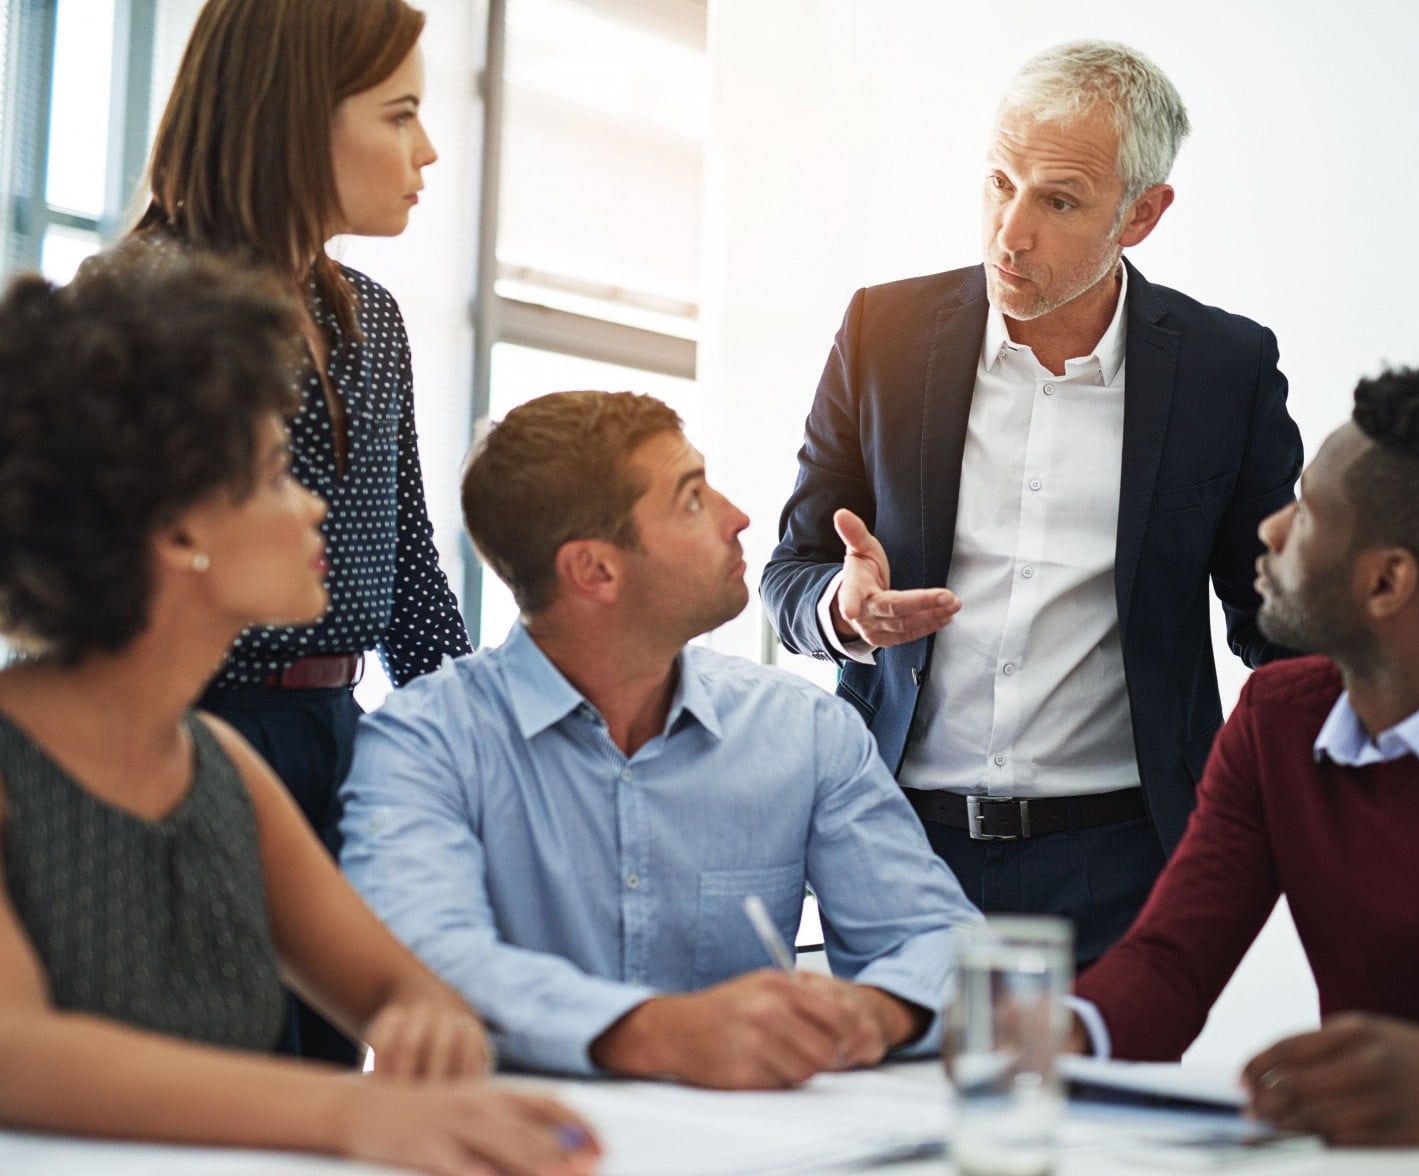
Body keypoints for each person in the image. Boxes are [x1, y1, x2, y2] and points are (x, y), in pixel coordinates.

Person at [0, 253, 598, 1175]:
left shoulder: (220, 767)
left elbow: (403, 992)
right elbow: (18, 1054)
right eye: (279, 473)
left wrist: (430, 1026)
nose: (315, 505)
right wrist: (354, 1111)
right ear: (180, 532)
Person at [761, 40, 1304, 967]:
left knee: (1104, 1072)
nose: (1009, 235)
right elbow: (790, 576)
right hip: (894, 841)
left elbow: (1277, 620)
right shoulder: (883, 333)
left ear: (1142, 214)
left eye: (1058, 201)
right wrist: (842, 612)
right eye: (999, 183)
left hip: (1125, 861)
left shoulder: (1228, 370)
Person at [339, 390, 982, 1089]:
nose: (738, 518)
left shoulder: (804, 729)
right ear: (595, 570)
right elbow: (424, 959)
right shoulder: (422, 741)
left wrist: (877, 1013)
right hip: (515, 1135)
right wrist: (658, 1033)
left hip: (755, 1138)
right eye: (692, 500)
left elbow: (938, 942)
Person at [1068, 367, 1419, 1145]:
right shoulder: (1277, 720)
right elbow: (1172, 961)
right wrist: (1058, 1033)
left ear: (1386, 582)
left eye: (1307, 513)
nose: (1271, 530)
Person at [118, 0, 471, 1062]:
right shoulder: (145, 301)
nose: (427, 149)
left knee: (325, 1054)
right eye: (399, 114)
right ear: (292, 115)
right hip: (186, 725)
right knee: (206, 1069)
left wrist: (481, 744)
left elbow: (406, 564)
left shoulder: (370, 314)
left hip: (337, 733)